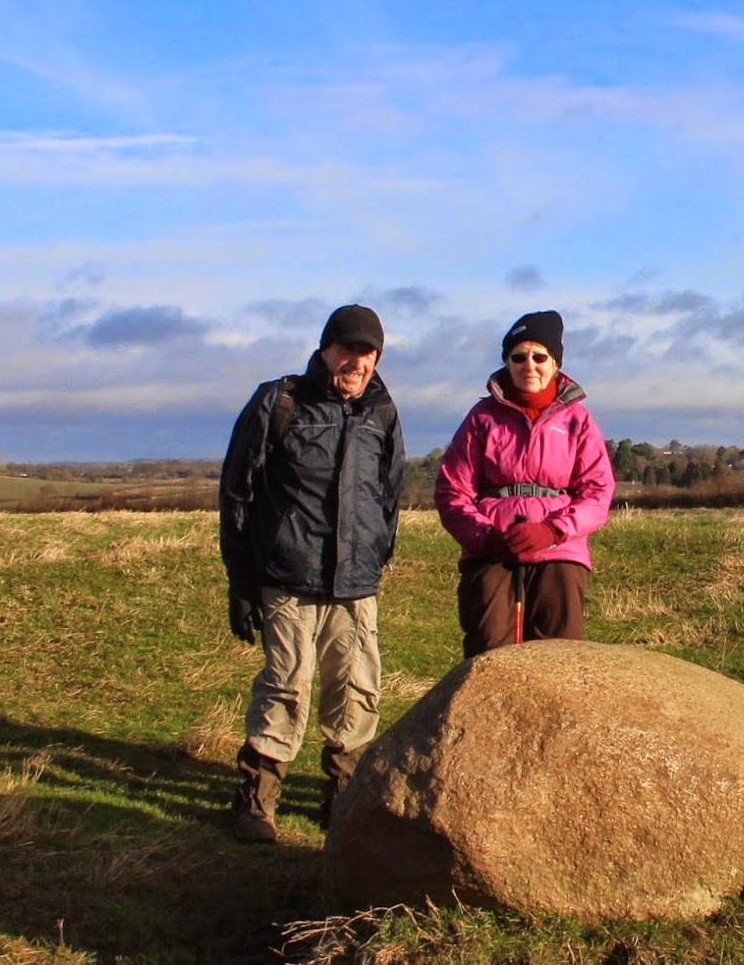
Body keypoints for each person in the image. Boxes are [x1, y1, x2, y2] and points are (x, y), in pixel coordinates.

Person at [218, 303, 405, 844]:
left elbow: (389, 494)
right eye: (348, 349)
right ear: (325, 351)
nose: (357, 362)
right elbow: (237, 494)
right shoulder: (280, 402)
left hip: (355, 585)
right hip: (288, 578)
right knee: (285, 687)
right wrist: (241, 581)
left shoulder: (381, 412)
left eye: (368, 353)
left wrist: (375, 556)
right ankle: (257, 798)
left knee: (356, 692)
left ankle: (344, 800)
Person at [435, 310, 615, 659]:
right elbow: (452, 491)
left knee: (559, 653)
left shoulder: (578, 420)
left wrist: (554, 530)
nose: (529, 365)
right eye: (519, 357)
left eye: (539, 357)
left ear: (555, 363)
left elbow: (597, 492)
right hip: (492, 548)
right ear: (507, 362)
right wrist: (486, 537)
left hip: (560, 549)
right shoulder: (481, 418)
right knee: (488, 649)